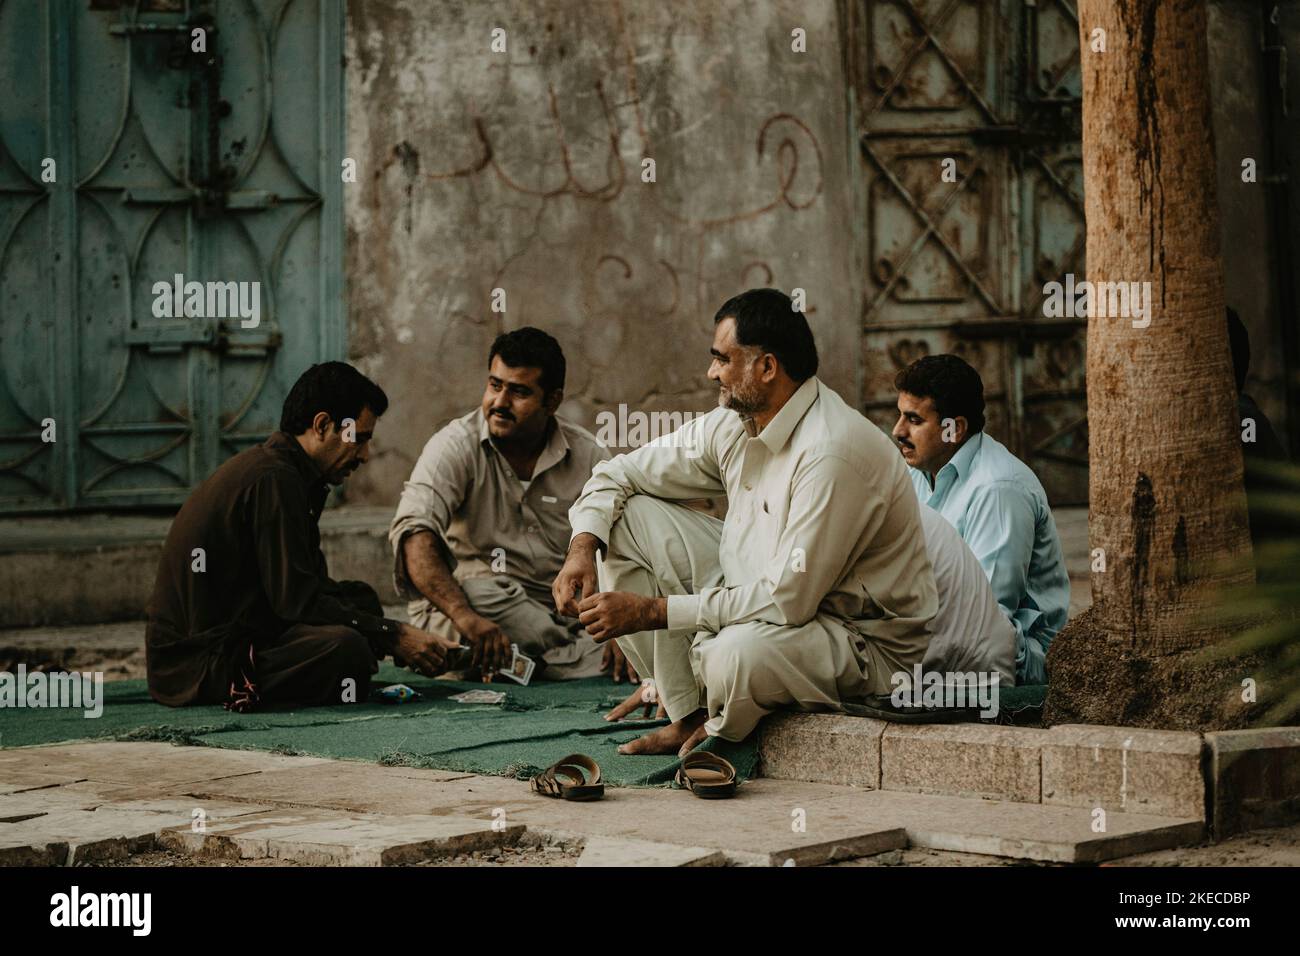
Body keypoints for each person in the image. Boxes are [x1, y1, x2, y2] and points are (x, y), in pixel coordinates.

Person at [553, 288, 937, 755]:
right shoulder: (734, 421)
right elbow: (620, 472)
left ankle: (717, 700)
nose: (710, 372)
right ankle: (688, 713)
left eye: (721, 359)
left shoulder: (830, 452)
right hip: (759, 592)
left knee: (733, 658)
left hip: (857, 641)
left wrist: (653, 611)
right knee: (623, 521)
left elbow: (789, 600)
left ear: (767, 367)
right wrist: (581, 548)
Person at [146, 362, 454, 710]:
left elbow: (309, 589)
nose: (365, 455)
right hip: (197, 665)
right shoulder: (275, 480)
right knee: (345, 647)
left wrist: (386, 633)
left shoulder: (294, 476)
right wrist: (393, 635)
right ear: (322, 425)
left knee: (360, 600)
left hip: (245, 631)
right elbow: (297, 603)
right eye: (359, 439)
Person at [389, 327, 623, 681]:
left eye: (519, 392)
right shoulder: (454, 445)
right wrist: (466, 617)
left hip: (559, 610)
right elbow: (414, 535)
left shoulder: (587, 454)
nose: (499, 402)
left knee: (625, 633)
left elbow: (624, 541)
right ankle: (566, 659)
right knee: (484, 592)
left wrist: (621, 624)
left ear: (552, 401)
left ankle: (537, 660)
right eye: (495, 385)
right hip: (480, 610)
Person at [892, 354, 1069, 685]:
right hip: (938, 627)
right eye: (900, 416)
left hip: (1010, 656)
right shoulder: (915, 472)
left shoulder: (998, 489)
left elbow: (986, 618)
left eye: (914, 420)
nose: (898, 431)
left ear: (954, 429)